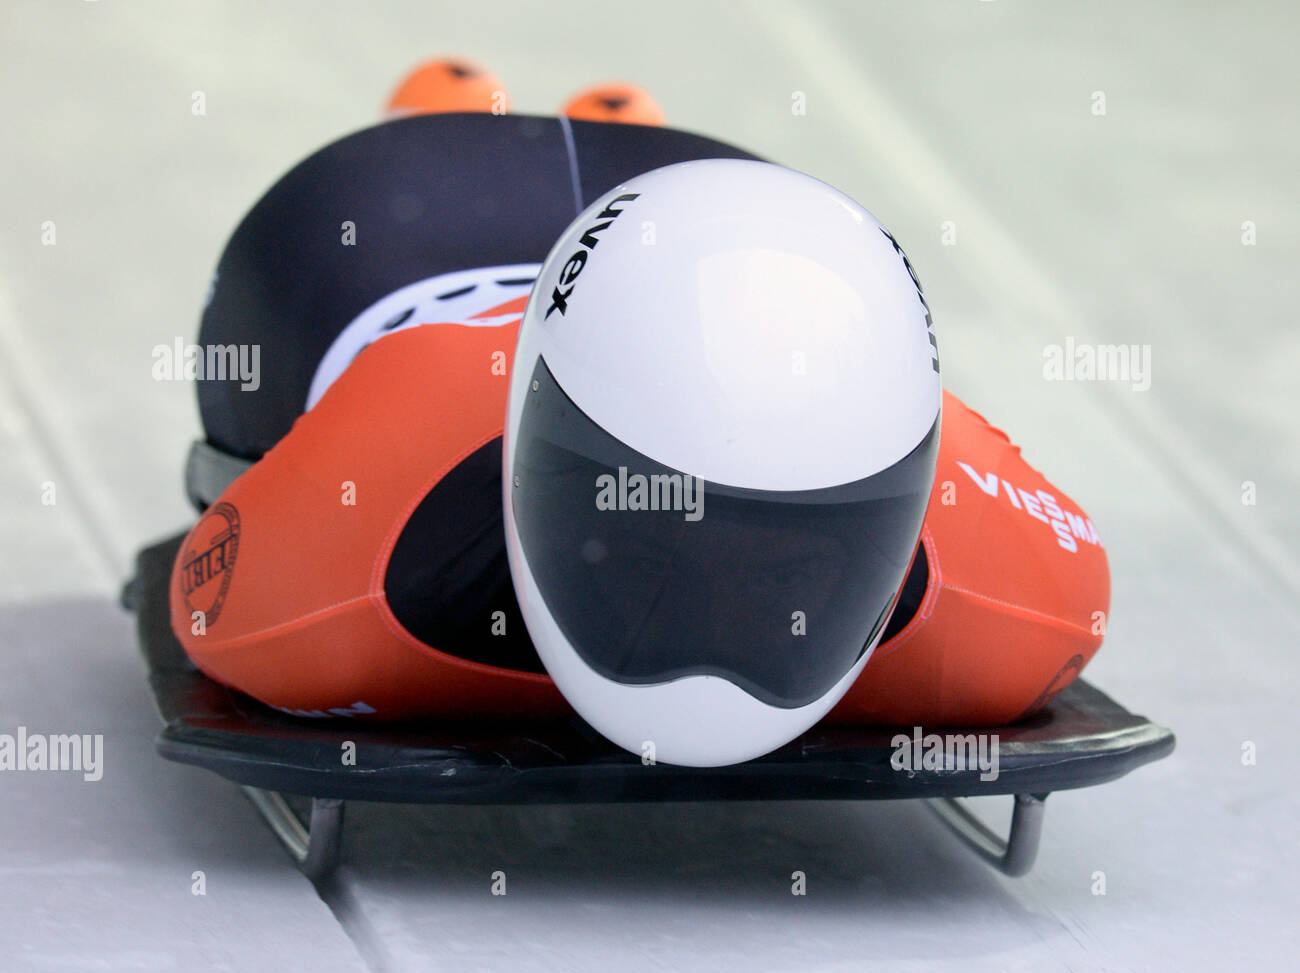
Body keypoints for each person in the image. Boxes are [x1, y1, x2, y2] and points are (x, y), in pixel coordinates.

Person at [170, 61, 1108, 737]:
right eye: (650, 551)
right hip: (390, 222)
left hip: (425, 206)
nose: (714, 632)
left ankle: (462, 103)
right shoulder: (1017, 616)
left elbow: (203, 589)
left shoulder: (336, 604)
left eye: (787, 571)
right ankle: (562, 110)